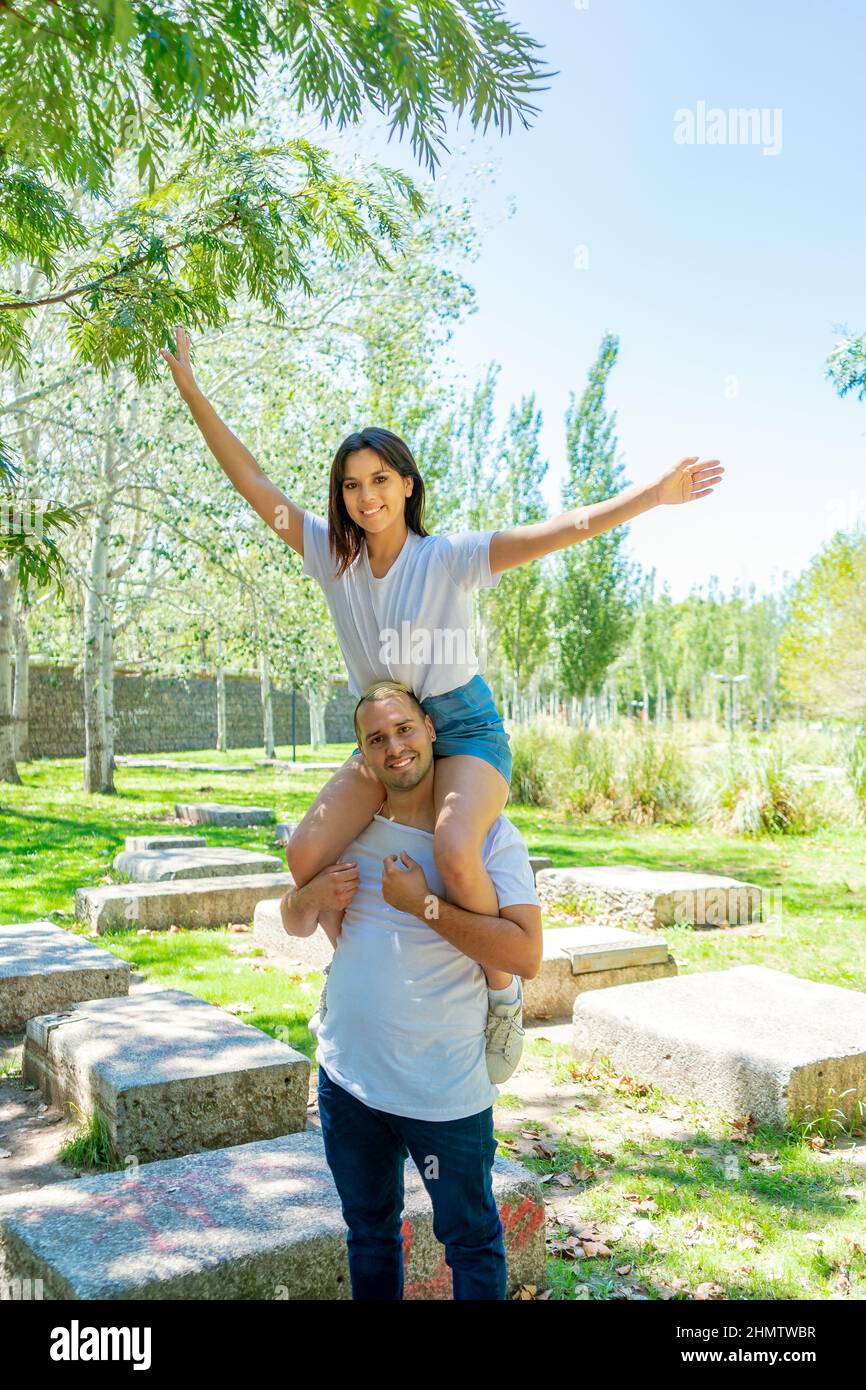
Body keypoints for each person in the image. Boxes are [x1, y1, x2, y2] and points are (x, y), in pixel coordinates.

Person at [161, 323, 723, 1080]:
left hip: (459, 726)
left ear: (408, 484)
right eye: (352, 486)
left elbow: (559, 530)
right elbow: (253, 482)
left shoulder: (448, 558)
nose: (366, 497)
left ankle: (500, 996)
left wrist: (655, 496)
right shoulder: (331, 557)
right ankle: (352, 972)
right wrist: (193, 389)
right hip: (389, 732)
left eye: (381, 481)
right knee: (304, 854)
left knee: (457, 852)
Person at [278, 679, 543, 1300]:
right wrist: (309, 898)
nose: (394, 747)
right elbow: (294, 917)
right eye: (376, 739)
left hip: (444, 1092)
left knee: (471, 1241)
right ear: (362, 758)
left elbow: (525, 954)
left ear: (429, 729)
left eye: (403, 730)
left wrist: (422, 903)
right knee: (368, 1232)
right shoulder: (351, 833)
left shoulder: (489, 836)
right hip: (349, 1079)